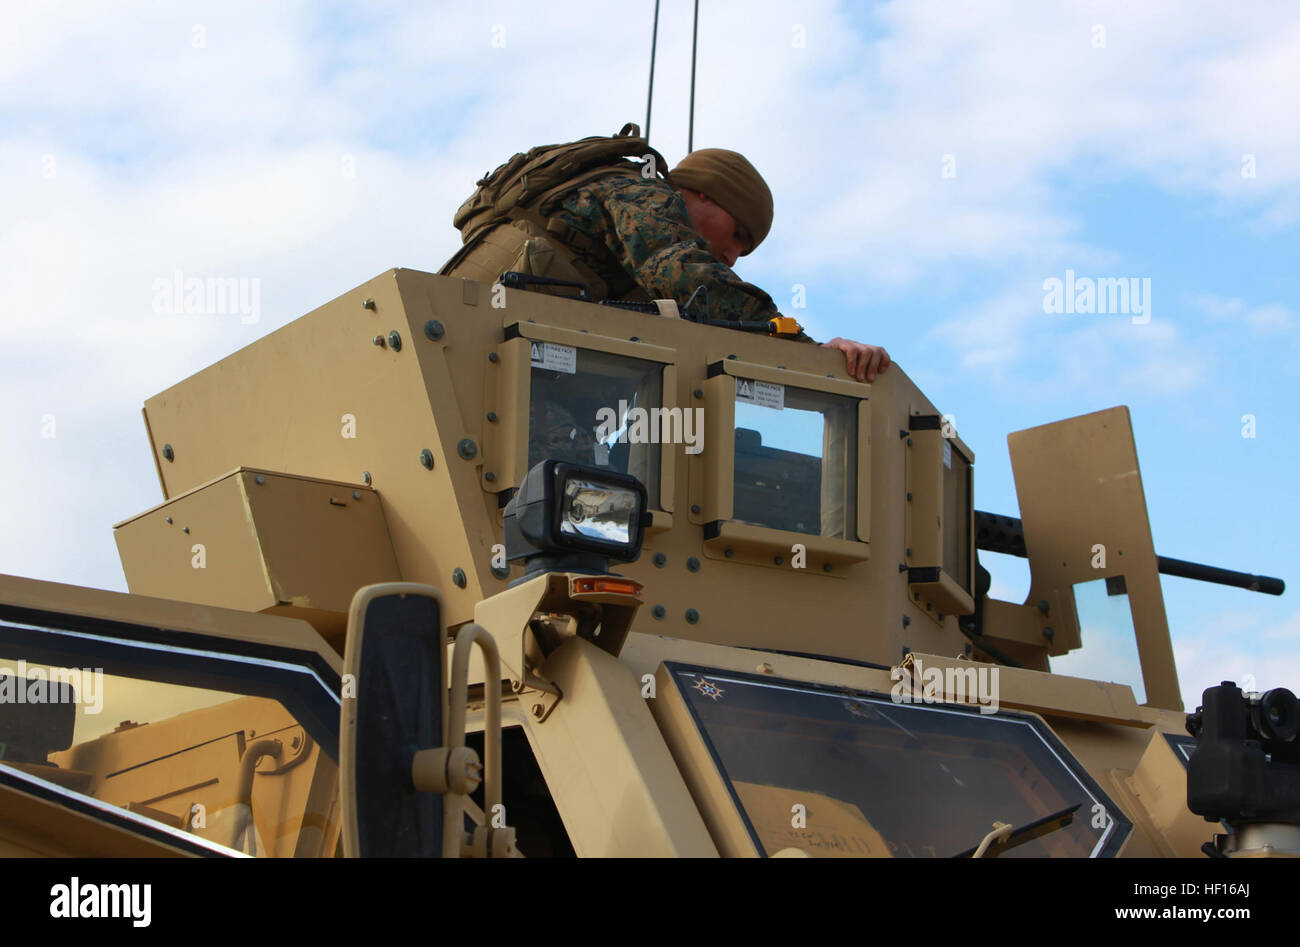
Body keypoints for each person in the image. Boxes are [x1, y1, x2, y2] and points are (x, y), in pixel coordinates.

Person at [440, 132, 891, 383]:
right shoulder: (640, 195)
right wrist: (813, 351)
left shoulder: (629, 239)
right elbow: (694, 281)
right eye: (737, 234)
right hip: (463, 348)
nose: (732, 257)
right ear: (700, 193)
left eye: (744, 250)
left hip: (481, 352)